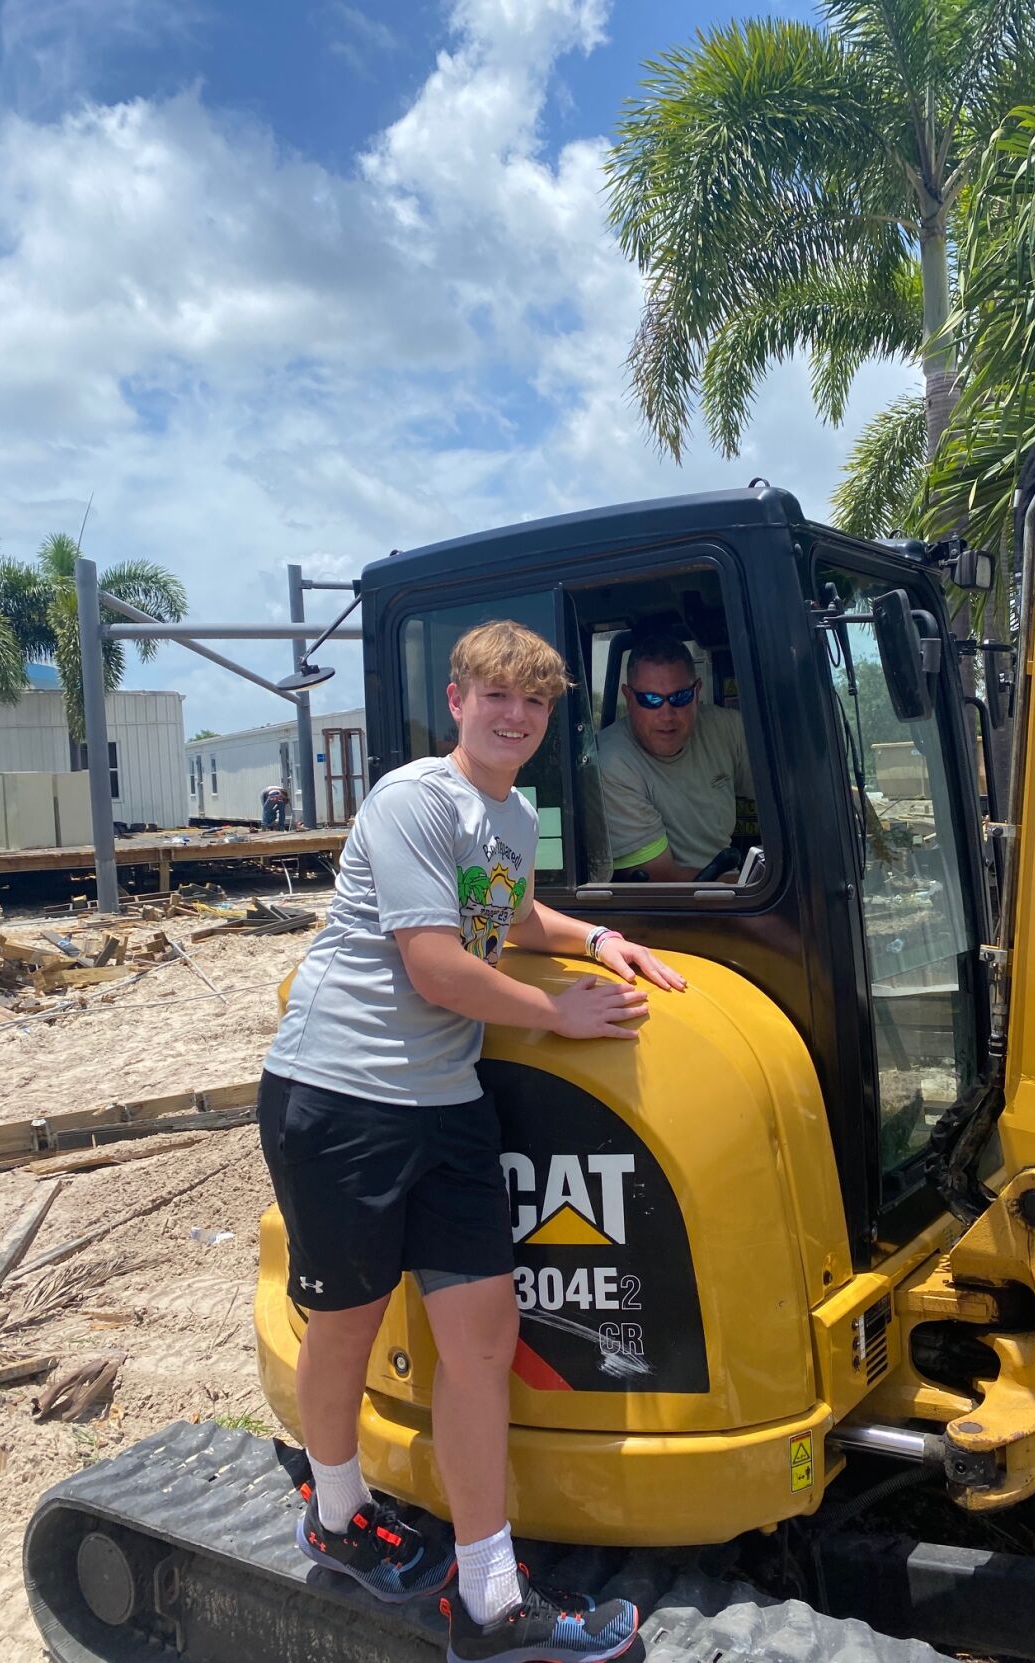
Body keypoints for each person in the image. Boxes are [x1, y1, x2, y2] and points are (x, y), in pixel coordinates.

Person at [258, 619, 683, 1662]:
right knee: (348, 1327)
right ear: (456, 701)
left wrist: (592, 936)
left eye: (534, 702)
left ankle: (489, 1597)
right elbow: (437, 968)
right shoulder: (414, 799)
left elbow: (501, 918)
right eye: (496, 695)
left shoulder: (506, 811)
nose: (515, 715)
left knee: (484, 1339)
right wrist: (560, 1014)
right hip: (342, 1096)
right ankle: (339, 1512)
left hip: (445, 1104)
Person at [597, 631, 753, 880]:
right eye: (650, 700)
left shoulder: (726, 729)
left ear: (697, 692)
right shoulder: (612, 763)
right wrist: (752, 887)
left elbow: (788, 794)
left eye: (679, 697)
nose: (667, 714)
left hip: (730, 891)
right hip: (676, 907)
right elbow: (661, 879)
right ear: (628, 698)